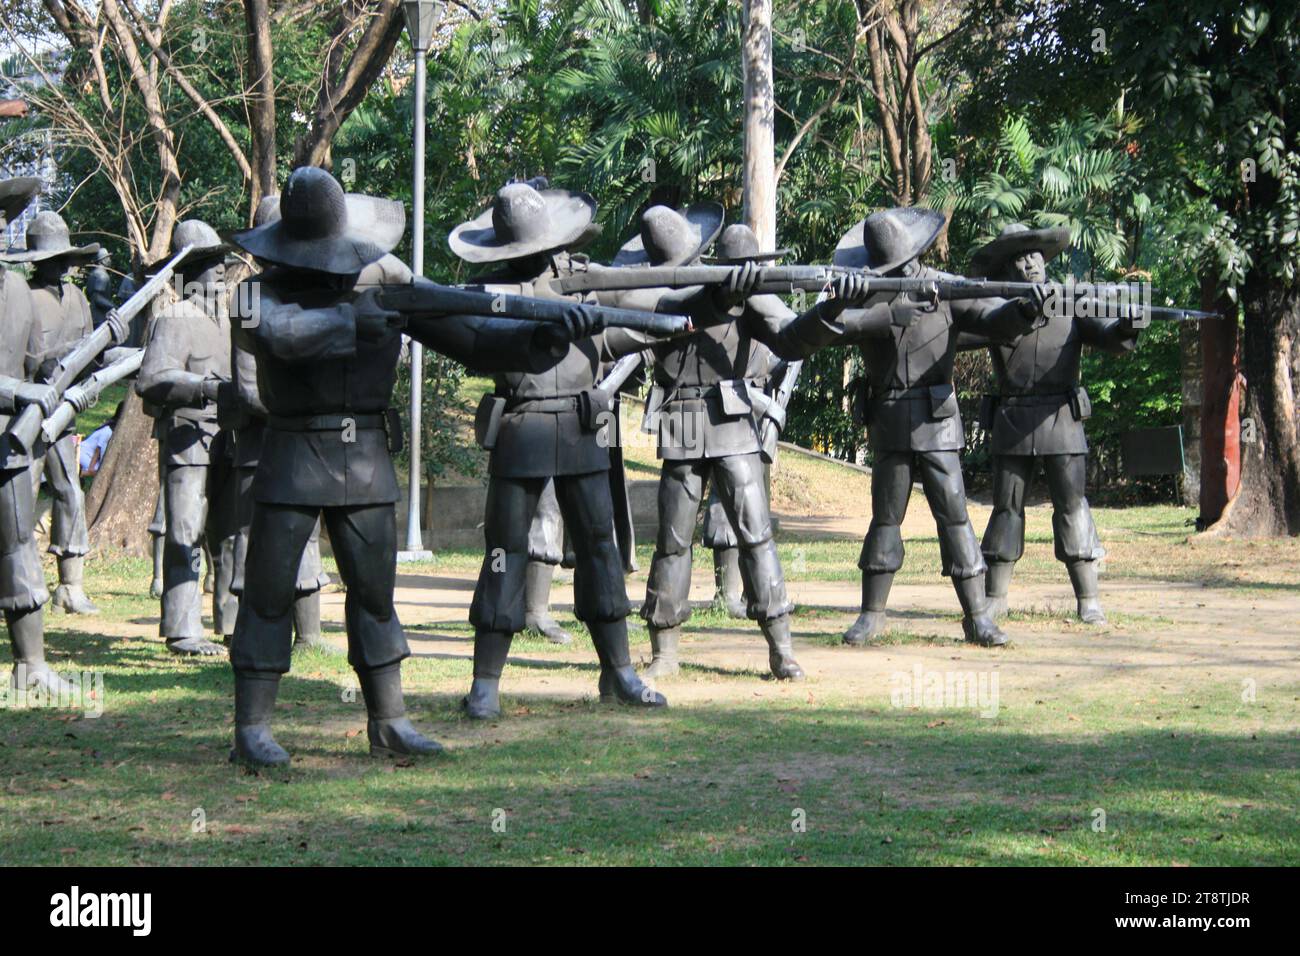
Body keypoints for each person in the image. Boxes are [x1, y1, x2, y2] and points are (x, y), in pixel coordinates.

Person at [226, 166, 595, 766]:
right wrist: (352, 320)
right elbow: (277, 333)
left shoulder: (386, 275)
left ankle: (390, 720)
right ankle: (252, 727)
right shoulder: (254, 293)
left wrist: (543, 339)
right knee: (268, 594)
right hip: (291, 456)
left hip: (365, 460)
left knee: (376, 596)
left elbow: (468, 332)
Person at [450, 178, 673, 719]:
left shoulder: (583, 281)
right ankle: (485, 682)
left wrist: (713, 298)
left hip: (580, 425)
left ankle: (618, 671)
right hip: (521, 427)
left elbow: (641, 316)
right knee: (504, 550)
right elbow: (477, 346)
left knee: (600, 548)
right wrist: (542, 335)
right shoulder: (485, 292)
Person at [634, 218, 864, 680]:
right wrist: (720, 298)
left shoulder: (754, 297)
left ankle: (781, 648)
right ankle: (665, 650)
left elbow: (790, 337)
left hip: (734, 421)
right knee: (673, 541)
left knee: (756, 535)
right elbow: (667, 314)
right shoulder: (666, 290)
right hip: (683, 420)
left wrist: (833, 307)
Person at [831, 207, 1045, 648]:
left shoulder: (945, 287)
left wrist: (1025, 310)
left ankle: (978, 617)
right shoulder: (864, 291)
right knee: (885, 518)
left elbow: (992, 320)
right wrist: (869, 309)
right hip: (889, 417)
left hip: (937, 420)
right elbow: (829, 328)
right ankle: (872, 614)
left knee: (954, 517)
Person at [969, 223, 1140, 623]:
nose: (1030, 263)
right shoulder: (993, 310)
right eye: (1019, 258)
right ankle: (995, 595)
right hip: (1012, 419)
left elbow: (1108, 334)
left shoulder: (1071, 301)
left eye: (1034, 255)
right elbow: (957, 331)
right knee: (1006, 508)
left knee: (1072, 506)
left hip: (1061, 419)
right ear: (1006, 268)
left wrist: (1128, 324)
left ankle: (1088, 598)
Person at [135, 219, 237, 656]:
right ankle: (182, 629)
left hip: (230, 437)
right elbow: (151, 379)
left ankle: (232, 623)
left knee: (229, 534)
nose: (221, 270)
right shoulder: (173, 319)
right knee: (185, 531)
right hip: (186, 439)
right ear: (187, 273)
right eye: (210, 264)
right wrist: (205, 387)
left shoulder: (232, 319)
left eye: (220, 262)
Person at [0, 177, 76, 693]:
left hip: (8, 444)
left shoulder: (16, 292)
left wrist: (67, 367)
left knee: (19, 546)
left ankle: (30, 666)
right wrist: (17, 390)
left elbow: (32, 363)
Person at [12, 211, 100, 615]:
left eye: (66, 257)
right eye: (55, 258)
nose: (63, 265)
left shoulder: (78, 298)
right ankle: (15, 580)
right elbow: (24, 359)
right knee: (21, 498)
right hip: (27, 415)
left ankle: (70, 584)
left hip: (65, 415)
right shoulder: (24, 298)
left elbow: (91, 351)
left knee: (71, 492)